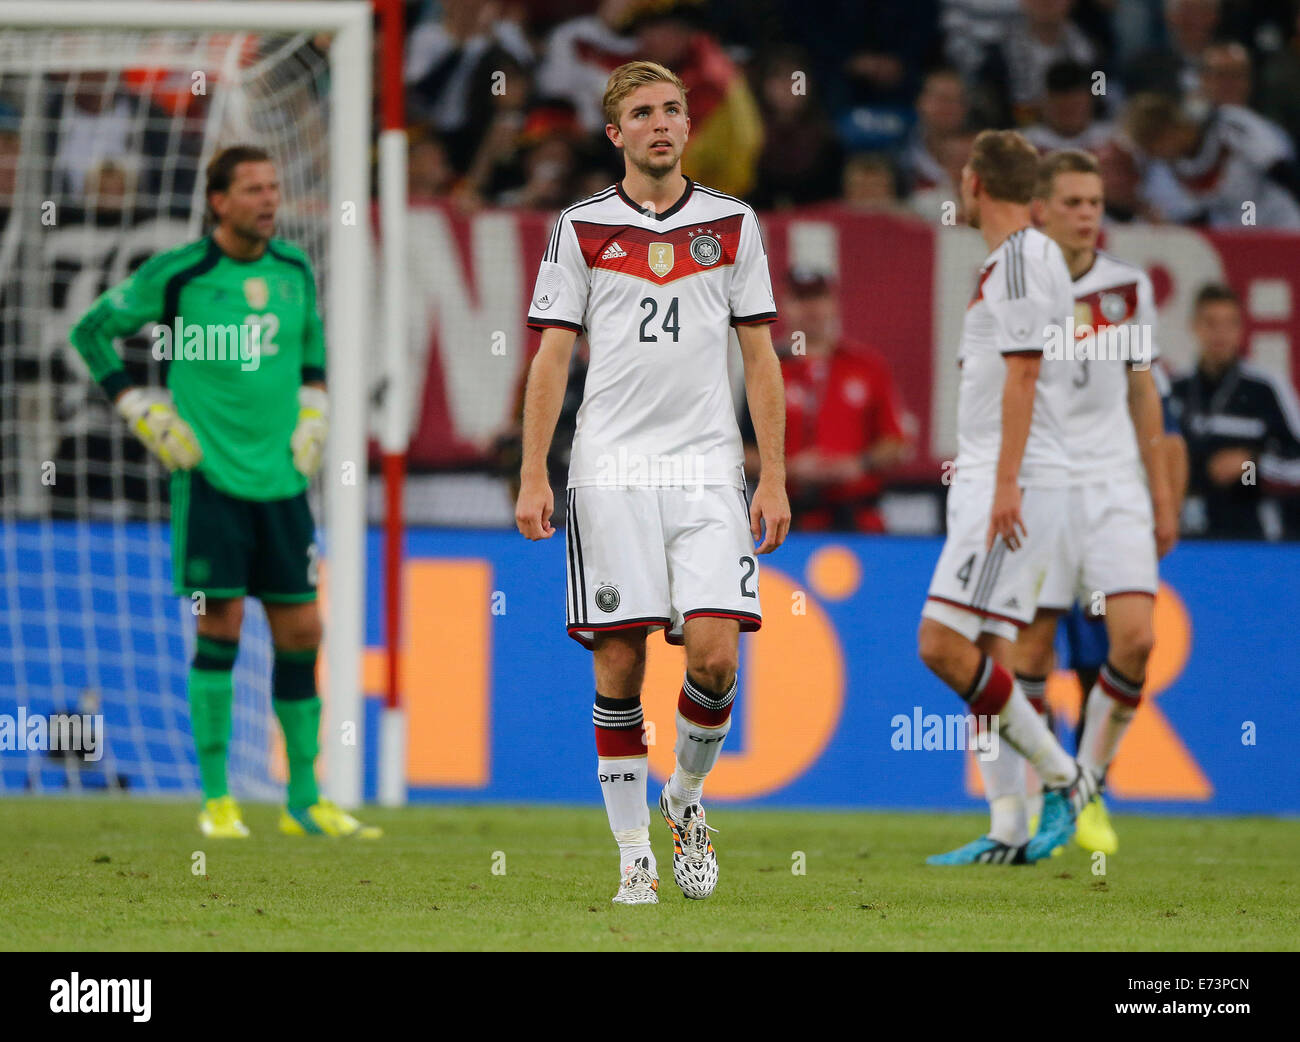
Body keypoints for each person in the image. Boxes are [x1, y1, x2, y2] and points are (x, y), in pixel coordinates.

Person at [515, 61, 789, 905]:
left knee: (714, 657)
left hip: (708, 469)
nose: (664, 123)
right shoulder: (581, 228)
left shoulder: (734, 224)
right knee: (620, 666)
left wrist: (770, 474)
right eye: (644, 113)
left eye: (674, 109)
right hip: (610, 472)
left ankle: (685, 799)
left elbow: (760, 356)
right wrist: (535, 472)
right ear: (616, 134)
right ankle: (634, 854)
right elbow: (552, 355)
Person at [69, 145, 380, 840]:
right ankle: (217, 801)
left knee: (304, 630)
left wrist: (315, 412)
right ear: (219, 201)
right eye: (252, 190)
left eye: (273, 187)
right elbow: (90, 333)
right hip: (209, 483)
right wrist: (138, 409)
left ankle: (306, 799)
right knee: (222, 628)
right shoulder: (177, 276)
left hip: (283, 486)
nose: (269, 200)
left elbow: (312, 359)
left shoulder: (295, 269)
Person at [918, 129, 1097, 867]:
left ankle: (1065, 776)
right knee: (988, 649)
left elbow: (1024, 374)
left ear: (975, 183)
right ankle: (1009, 823)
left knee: (941, 644)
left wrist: (1002, 484)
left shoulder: (1021, 259)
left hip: (1012, 481)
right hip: (1013, 475)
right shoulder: (1022, 260)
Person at [1003, 150, 1179, 858]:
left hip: (1113, 487)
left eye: (1096, 203)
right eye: (1073, 201)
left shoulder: (1127, 287)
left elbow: (1143, 390)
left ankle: (1088, 785)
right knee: (1032, 650)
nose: (1087, 214)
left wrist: (1161, 493)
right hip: (1044, 483)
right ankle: (1047, 790)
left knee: (1136, 639)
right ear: (1041, 207)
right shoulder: (1015, 285)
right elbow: (1002, 392)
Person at [746, 268, 912, 532]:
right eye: (801, 299)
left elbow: (896, 443)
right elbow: (739, 451)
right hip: (788, 518)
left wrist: (857, 464)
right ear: (785, 306)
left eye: (818, 298)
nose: (810, 308)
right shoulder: (766, 367)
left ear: (833, 304)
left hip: (858, 518)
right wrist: (788, 468)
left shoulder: (867, 366)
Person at [1169, 283, 1300, 538]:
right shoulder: (1175, 388)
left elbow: (1296, 462)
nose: (1220, 333)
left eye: (1230, 324)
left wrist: (1249, 464)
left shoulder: (1265, 388)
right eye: (1210, 323)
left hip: (1252, 534)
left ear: (1241, 330)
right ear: (1194, 326)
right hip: (1185, 535)